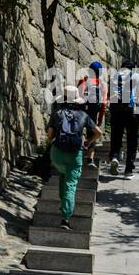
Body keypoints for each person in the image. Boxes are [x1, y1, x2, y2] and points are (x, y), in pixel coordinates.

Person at [46, 85, 103, 229]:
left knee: (62, 175)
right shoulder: (83, 115)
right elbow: (98, 132)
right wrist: (88, 142)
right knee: (70, 185)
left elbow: (49, 135)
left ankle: (64, 202)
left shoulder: (57, 113)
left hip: (57, 154)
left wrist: (52, 141)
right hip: (75, 154)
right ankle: (65, 218)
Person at [108, 58, 139, 176]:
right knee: (132, 140)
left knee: (116, 136)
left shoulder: (114, 76)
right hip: (133, 111)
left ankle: (115, 156)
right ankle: (128, 169)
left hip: (116, 111)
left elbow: (110, 95)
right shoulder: (138, 77)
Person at [77, 59, 107, 170]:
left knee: (78, 132)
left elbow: (78, 96)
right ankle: (90, 160)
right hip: (93, 113)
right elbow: (103, 104)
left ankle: (77, 154)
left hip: (81, 112)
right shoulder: (102, 85)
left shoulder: (84, 81)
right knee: (92, 135)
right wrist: (99, 120)